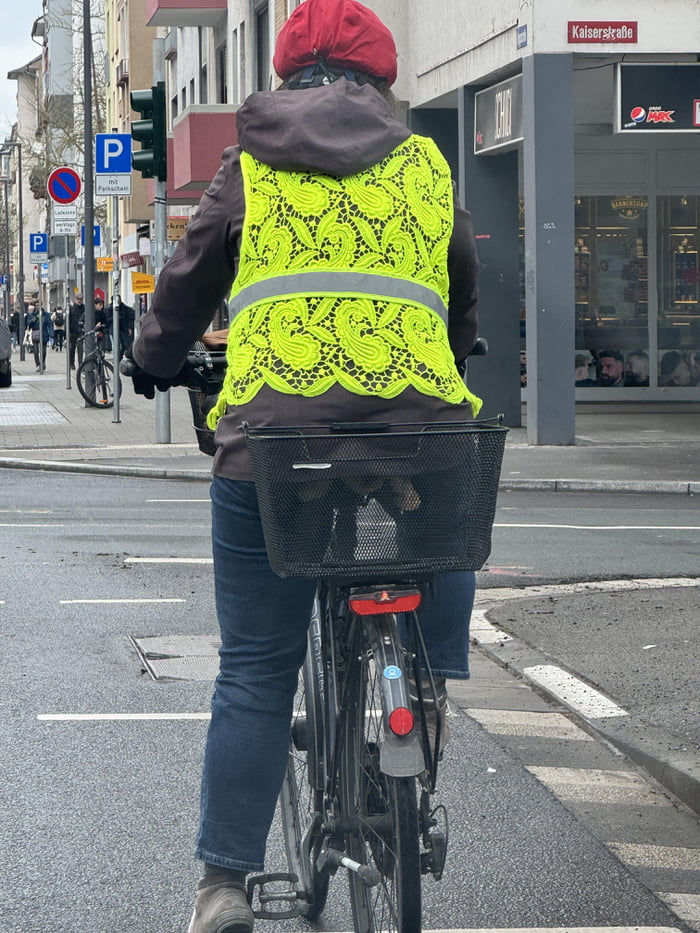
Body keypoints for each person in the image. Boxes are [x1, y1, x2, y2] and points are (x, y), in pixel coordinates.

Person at [124, 2, 481, 930]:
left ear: (285, 77)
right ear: (383, 78)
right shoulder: (426, 164)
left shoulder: (248, 168)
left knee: (253, 670)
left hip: (278, 445)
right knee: (450, 486)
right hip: (417, 437)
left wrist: (153, 360)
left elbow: (190, 280)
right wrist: (457, 348)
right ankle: (430, 679)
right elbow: (459, 283)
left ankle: (225, 886)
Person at [26, 303, 53, 371]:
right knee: (35, 350)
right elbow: (29, 324)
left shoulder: (46, 314)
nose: (38, 307)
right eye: (37, 305)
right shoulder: (32, 314)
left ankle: (43, 363)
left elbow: (49, 323)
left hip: (44, 333)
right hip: (36, 333)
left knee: (43, 350)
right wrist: (34, 319)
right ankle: (38, 364)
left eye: (39, 305)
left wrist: (51, 333)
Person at [69, 293, 85, 369]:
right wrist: (68, 331)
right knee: (72, 348)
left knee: (80, 348)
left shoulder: (84, 308)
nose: (79, 301)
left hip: (81, 331)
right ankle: (71, 362)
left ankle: (80, 364)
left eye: (81, 299)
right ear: (75, 299)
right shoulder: (71, 308)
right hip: (73, 331)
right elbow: (68, 320)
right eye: (78, 299)